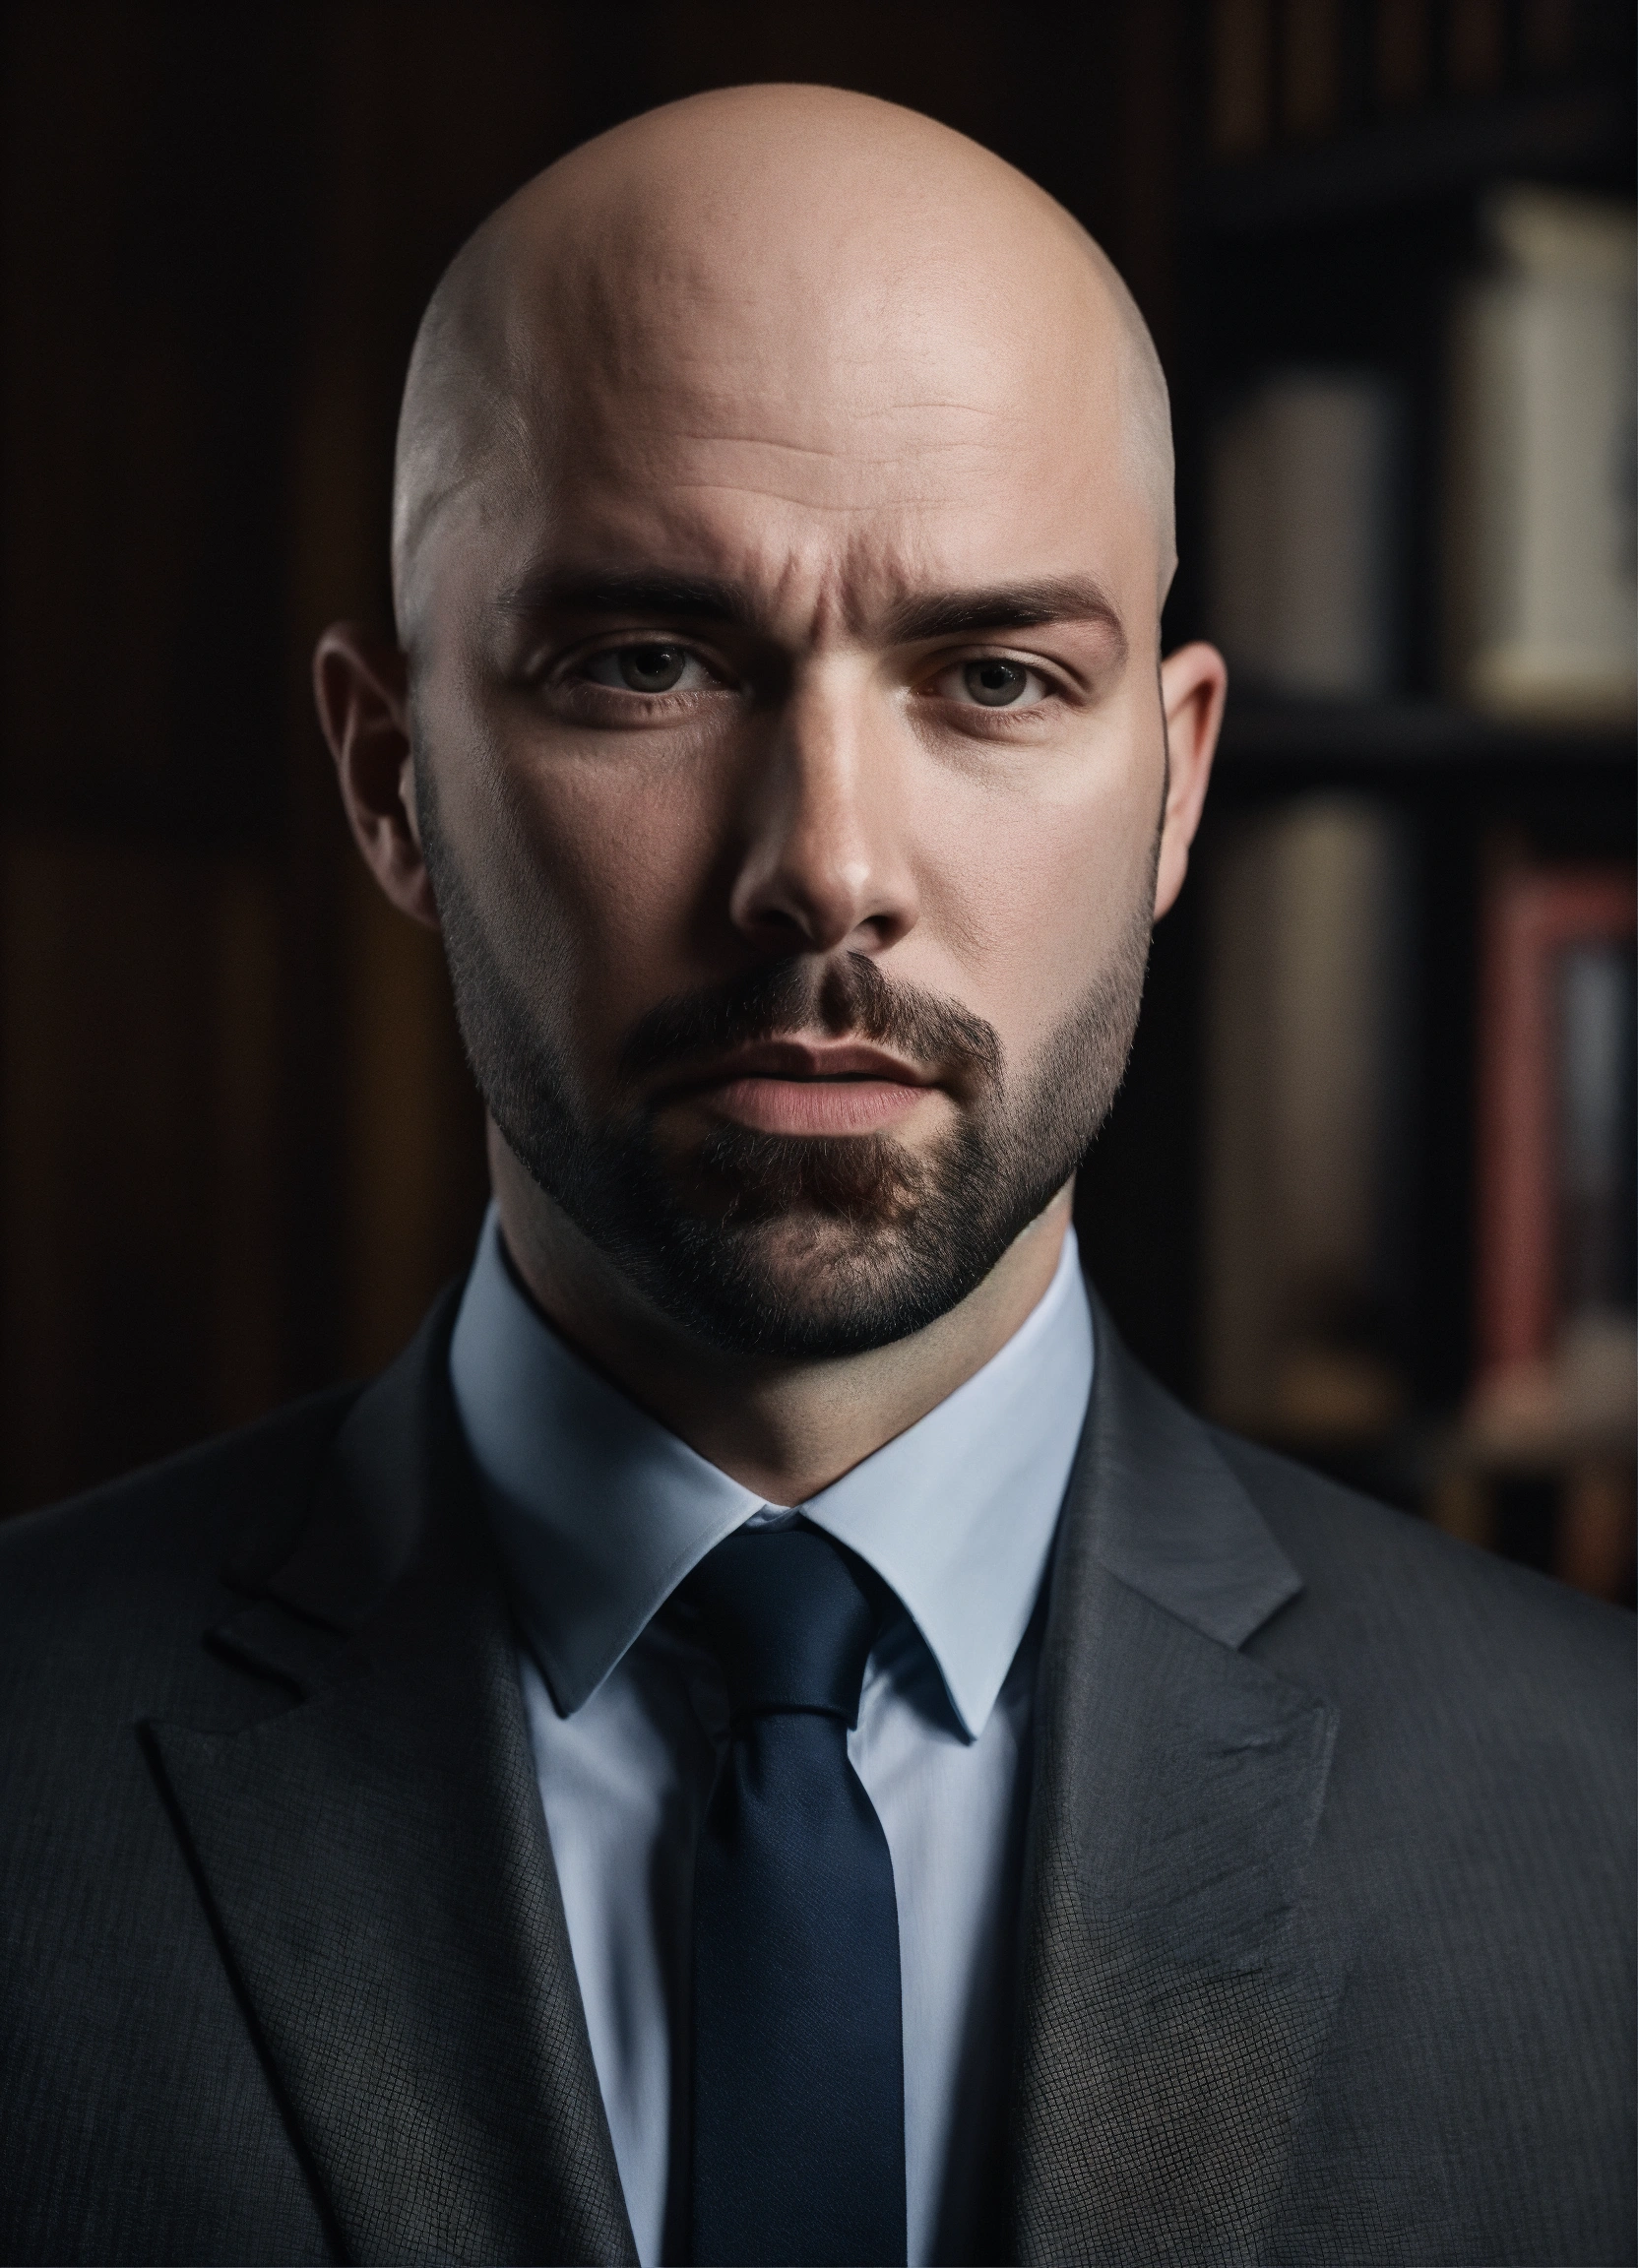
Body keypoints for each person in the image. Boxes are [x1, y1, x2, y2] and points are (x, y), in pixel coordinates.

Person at [0, 83, 1629, 2268]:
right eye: (647, 664)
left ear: (1173, 787)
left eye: (993, 677)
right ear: (392, 782)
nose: (825, 873)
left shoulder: (1601, 1826)